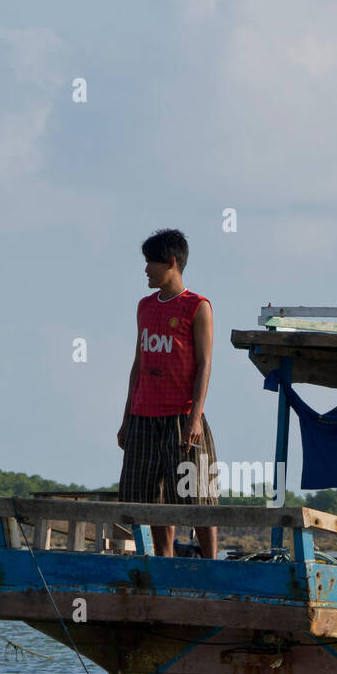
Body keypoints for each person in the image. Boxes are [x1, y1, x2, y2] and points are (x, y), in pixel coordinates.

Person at [116, 229, 219, 558]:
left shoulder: (197, 306)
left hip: (182, 418)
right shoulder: (144, 307)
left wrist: (195, 418)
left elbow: (204, 365)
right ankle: (163, 565)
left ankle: (212, 569)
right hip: (143, 417)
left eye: (151, 263)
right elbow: (138, 364)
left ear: (171, 263)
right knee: (146, 500)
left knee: (197, 497)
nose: (146, 269)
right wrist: (126, 418)